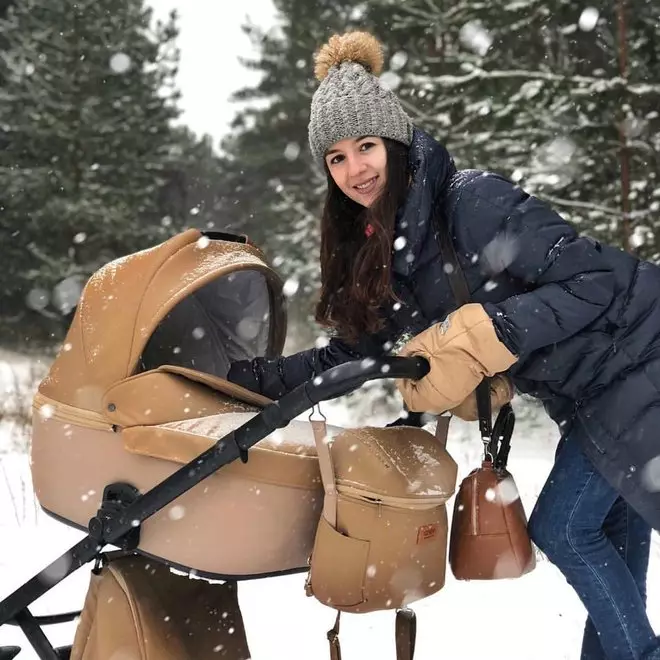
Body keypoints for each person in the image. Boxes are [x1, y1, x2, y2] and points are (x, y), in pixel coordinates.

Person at [227, 30, 660, 660]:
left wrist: (496, 333)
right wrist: (252, 379)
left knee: (563, 529)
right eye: (337, 158)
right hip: (596, 389)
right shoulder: (394, 249)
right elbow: (355, 354)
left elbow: (597, 278)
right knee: (613, 539)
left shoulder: (472, 204)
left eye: (367, 146)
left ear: (396, 144)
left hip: (639, 353)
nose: (356, 170)